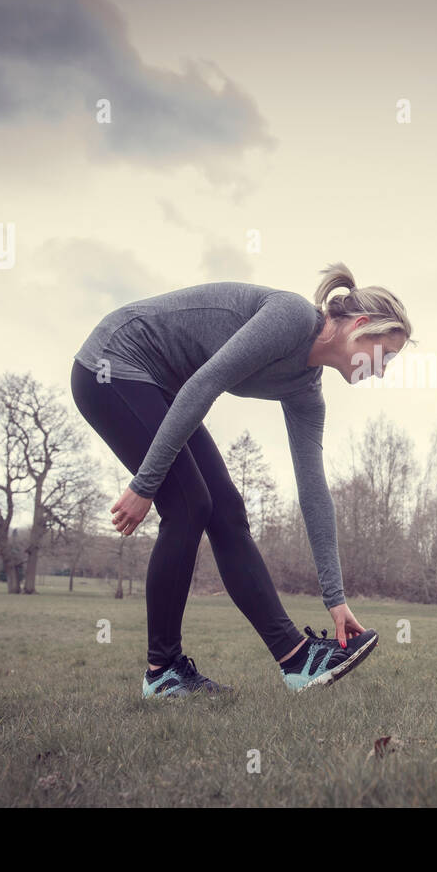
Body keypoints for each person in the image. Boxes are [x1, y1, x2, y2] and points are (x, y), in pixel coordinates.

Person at [70, 264, 411, 696]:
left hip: (166, 388)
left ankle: (297, 659)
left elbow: (313, 489)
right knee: (190, 505)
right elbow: (206, 384)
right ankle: (163, 671)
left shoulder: (306, 390)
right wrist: (145, 484)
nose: (382, 371)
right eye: (386, 356)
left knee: (226, 510)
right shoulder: (291, 317)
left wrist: (335, 598)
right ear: (360, 327)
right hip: (114, 362)